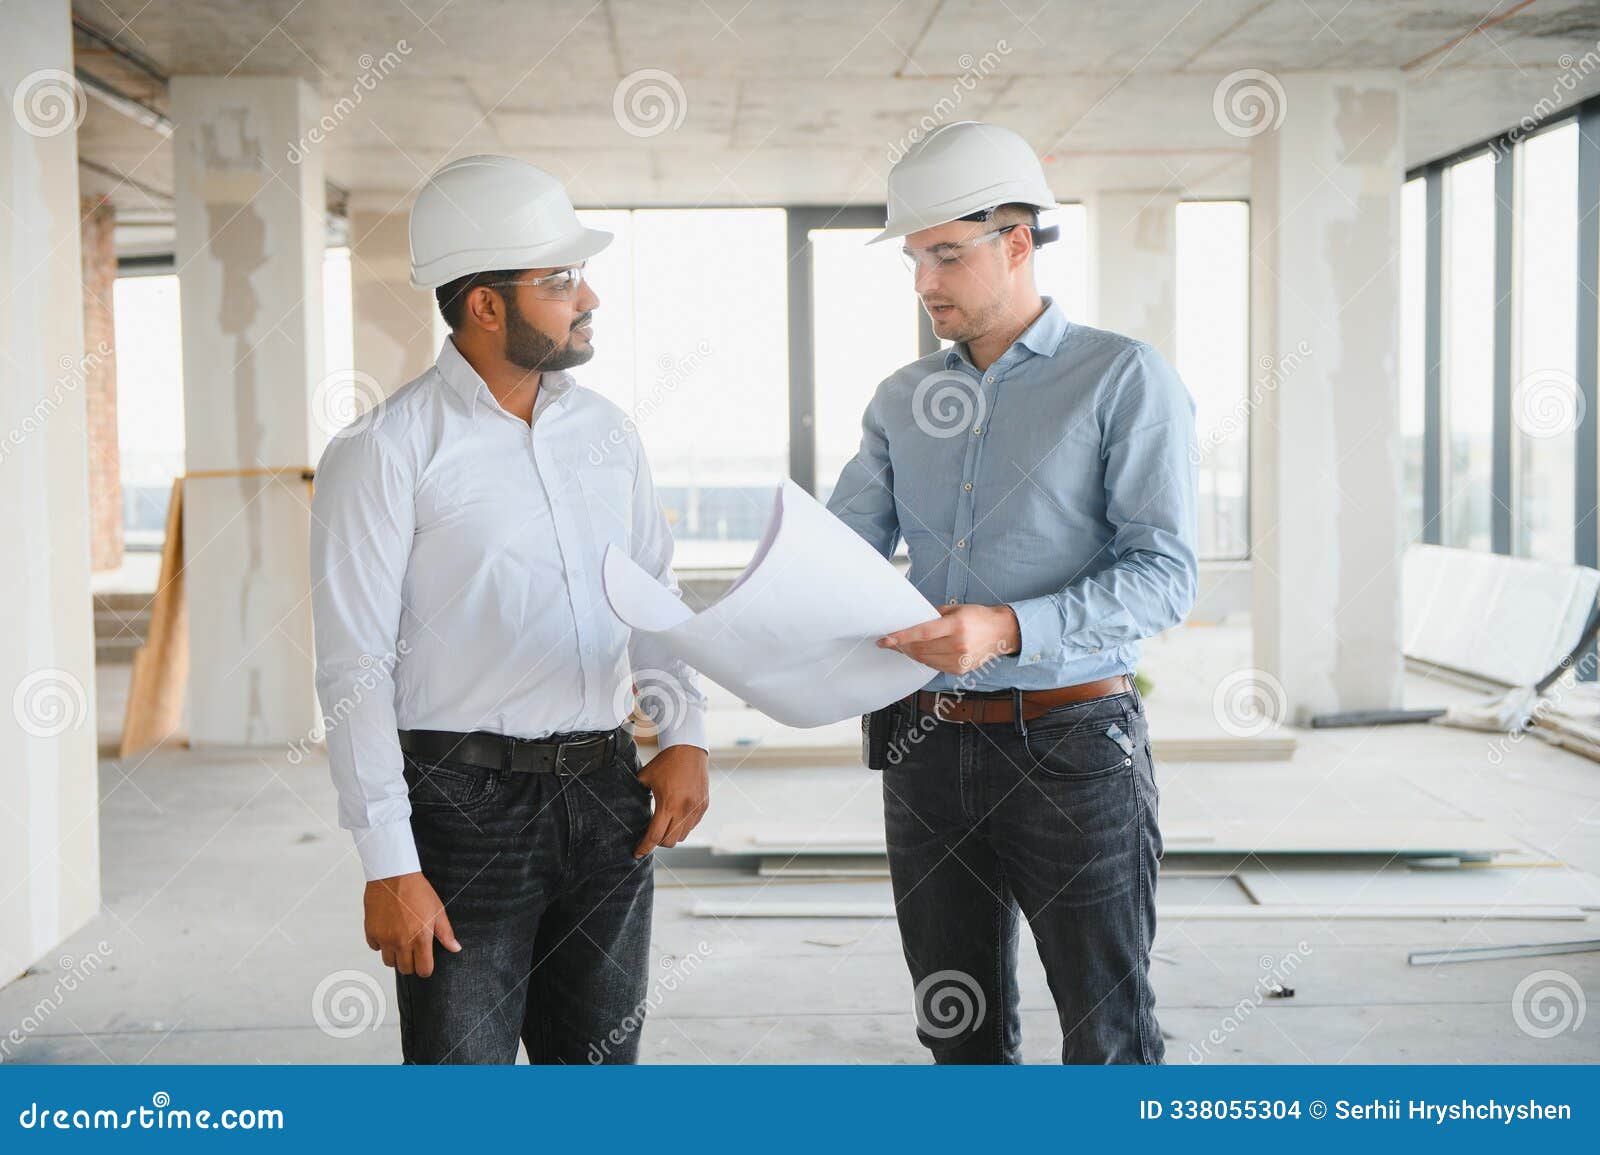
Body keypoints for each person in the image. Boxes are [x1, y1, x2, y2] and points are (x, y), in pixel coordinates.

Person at [309, 154, 710, 1064]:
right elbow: (352, 665)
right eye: (561, 280)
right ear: (486, 305)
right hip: (461, 810)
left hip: (609, 793)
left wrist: (682, 731)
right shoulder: (383, 449)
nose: (590, 297)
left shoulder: (608, 432)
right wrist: (388, 862)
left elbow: (653, 597)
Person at [827, 121, 1198, 1064]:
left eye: (947, 255)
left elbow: (1165, 574)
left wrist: (1007, 627)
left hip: (1073, 748)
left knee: (1106, 1031)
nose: (925, 283)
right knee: (957, 1032)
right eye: (916, 258)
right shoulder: (900, 397)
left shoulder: (1121, 377)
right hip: (925, 749)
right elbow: (841, 563)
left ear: (1019, 242)